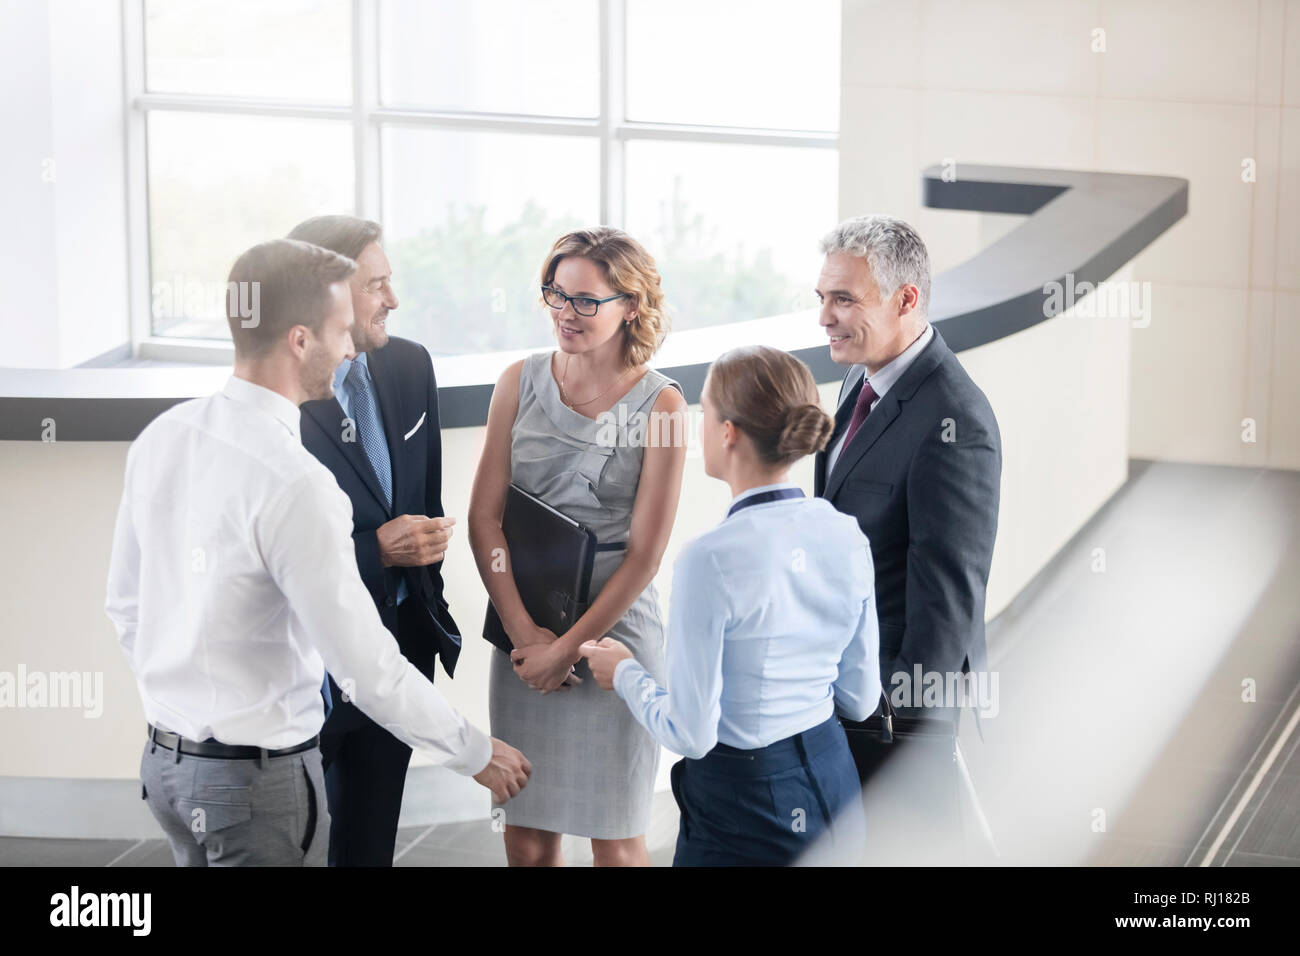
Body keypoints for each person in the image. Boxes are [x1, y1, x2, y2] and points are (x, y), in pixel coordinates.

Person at [105, 238, 530, 867]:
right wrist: (474, 752)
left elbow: (125, 608)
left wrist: (188, 713)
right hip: (256, 785)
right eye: (340, 332)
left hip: (167, 769)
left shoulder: (164, 436)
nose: (352, 347)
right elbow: (364, 665)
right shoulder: (295, 481)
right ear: (300, 341)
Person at [582, 345, 879, 867]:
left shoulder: (710, 559)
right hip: (837, 778)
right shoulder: (846, 533)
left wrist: (624, 671)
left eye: (705, 410)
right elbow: (859, 700)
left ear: (729, 432)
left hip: (747, 803)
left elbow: (689, 734)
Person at [467, 227, 687, 867]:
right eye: (556, 295)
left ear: (632, 306)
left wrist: (566, 649)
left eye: (586, 300)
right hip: (525, 631)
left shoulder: (663, 404)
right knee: (526, 838)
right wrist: (525, 637)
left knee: (617, 842)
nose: (566, 312)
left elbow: (645, 555)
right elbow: (486, 520)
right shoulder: (518, 381)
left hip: (614, 642)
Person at [812, 214, 1001, 835]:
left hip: (892, 713)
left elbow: (948, 600)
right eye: (822, 298)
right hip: (845, 692)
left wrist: (901, 729)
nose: (825, 317)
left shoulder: (955, 420)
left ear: (907, 299)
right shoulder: (857, 380)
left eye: (844, 299)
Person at [289, 215, 462, 867]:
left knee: (367, 845)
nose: (394, 299)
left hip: (397, 648)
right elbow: (270, 553)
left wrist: (426, 603)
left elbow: (427, 498)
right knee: (281, 837)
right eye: (378, 285)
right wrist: (376, 551)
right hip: (311, 664)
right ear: (329, 298)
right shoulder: (283, 394)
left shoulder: (411, 367)